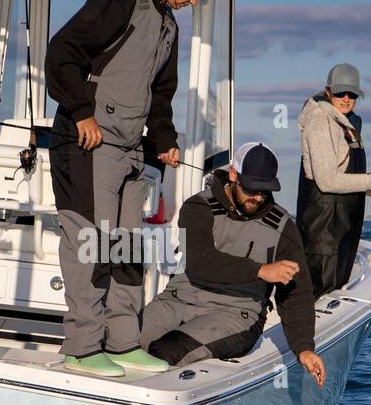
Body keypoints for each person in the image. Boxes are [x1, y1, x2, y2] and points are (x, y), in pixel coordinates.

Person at [45, 0, 216, 378]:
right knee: (90, 246)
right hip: (87, 144)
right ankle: (82, 348)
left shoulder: (168, 26)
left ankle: (121, 342)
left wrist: (165, 140)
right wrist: (82, 112)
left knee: (125, 248)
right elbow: (62, 52)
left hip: (130, 151)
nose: (193, 3)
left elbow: (162, 95)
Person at [140, 142, 327, 387]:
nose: (258, 197)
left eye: (265, 190)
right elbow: (200, 261)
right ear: (233, 174)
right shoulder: (197, 207)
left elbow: (297, 294)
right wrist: (259, 270)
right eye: (251, 189)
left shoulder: (284, 229)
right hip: (178, 300)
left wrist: (304, 348)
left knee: (164, 351)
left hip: (236, 313)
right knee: (121, 343)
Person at [296, 63, 371, 299]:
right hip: (323, 234)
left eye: (352, 94)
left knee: (333, 292)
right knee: (317, 295)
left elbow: (345, 177)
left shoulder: (346, 123)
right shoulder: (320, 120)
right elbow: (328, 182)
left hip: (342, 231)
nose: (346, 98)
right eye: (340, 92)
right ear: (328, 91)